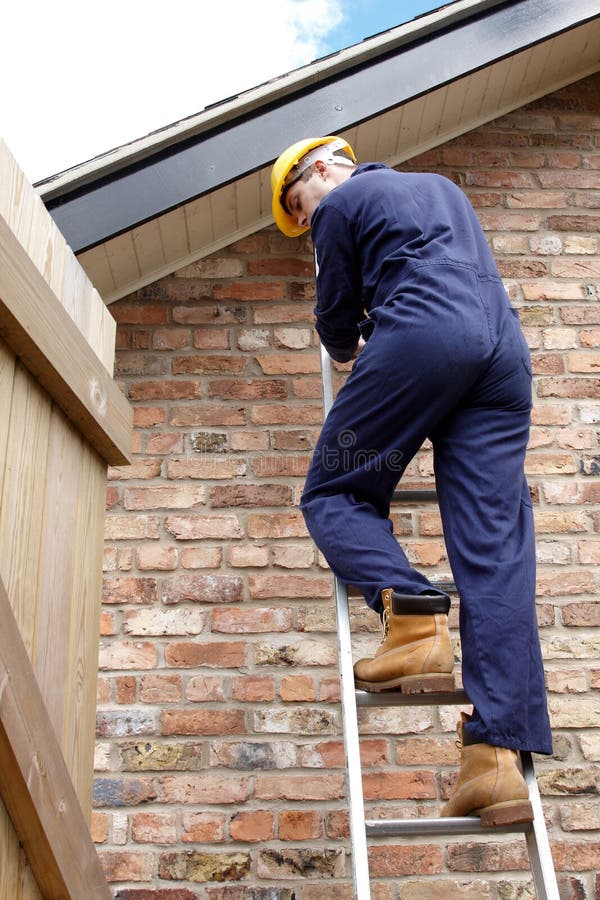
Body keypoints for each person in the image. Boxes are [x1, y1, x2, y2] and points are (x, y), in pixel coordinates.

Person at [270, 135, 552, 825]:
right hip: (503, 358)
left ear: (321, 169)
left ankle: (414, 623)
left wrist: (348, 351)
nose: (308, 225)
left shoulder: (344, 201)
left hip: (426, 330)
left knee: (334, 491)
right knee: (495, 553)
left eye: (300, 211)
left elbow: (335, 314)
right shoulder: (442, 189)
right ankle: (496, 762)